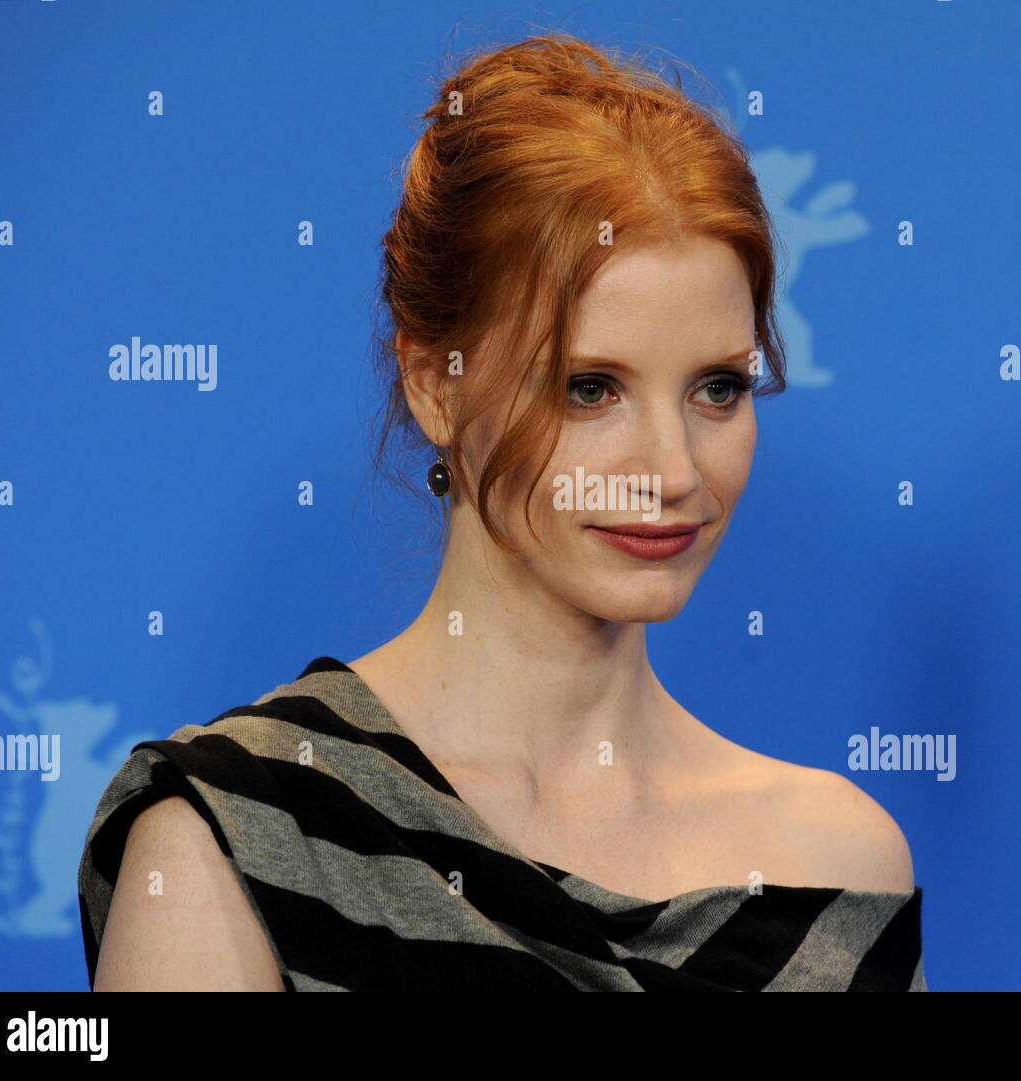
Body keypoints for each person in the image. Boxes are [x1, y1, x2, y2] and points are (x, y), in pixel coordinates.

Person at [78, 32, 927, 992]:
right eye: (590, 387)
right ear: (432, 385)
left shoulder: (841, 867)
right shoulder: (229, 840)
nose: (674, 468)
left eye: (719, 388)